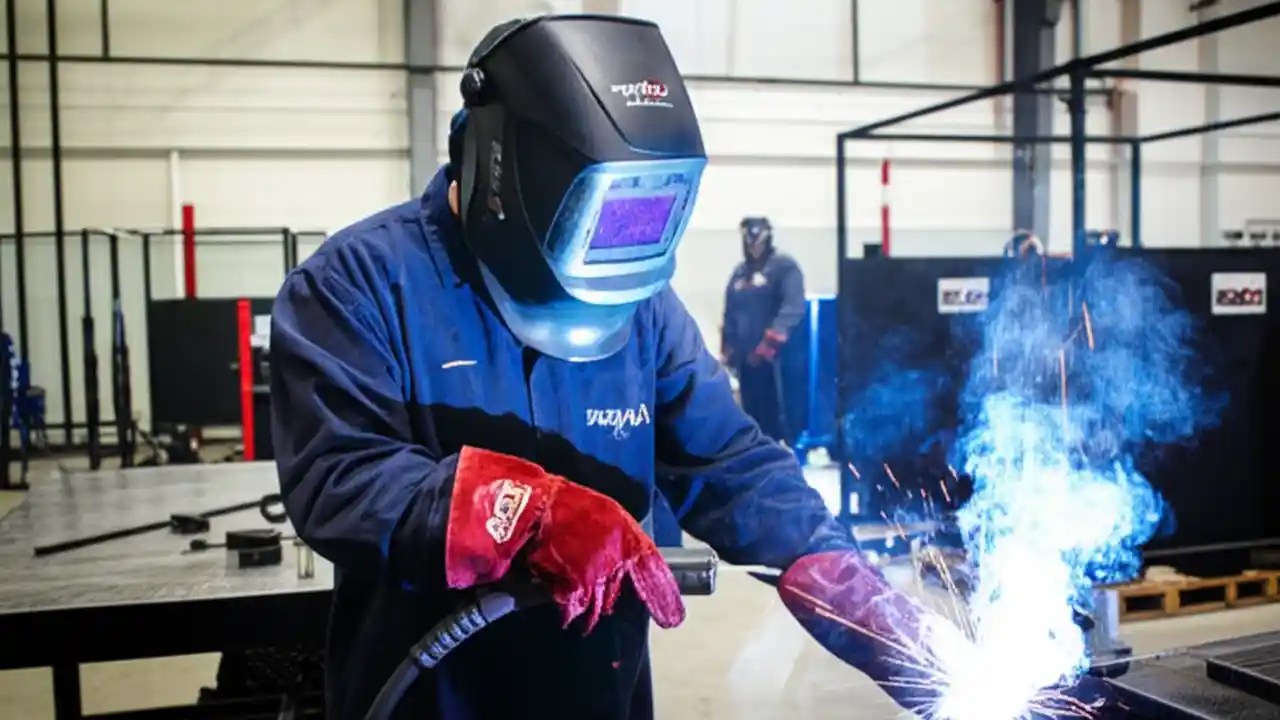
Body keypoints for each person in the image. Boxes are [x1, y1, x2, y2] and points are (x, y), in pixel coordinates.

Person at [270, 15, 942, 720]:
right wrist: (528, 514)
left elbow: (730, 459)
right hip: (426, 697)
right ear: (501, 166)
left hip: (600, 694)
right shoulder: (356, 284)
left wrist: (826, 563)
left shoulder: (641, 302)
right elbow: (339, 479)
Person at [720, 217, 805, 443]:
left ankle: (785, 448)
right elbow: (729, 312)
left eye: (757, 242)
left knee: (777, 414)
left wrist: (771, 341)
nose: (753, 247)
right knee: (750, 415)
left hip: (776, 362)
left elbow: (793, 307)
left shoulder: (784, 267)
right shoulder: (739, 274)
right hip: (745, 361)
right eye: (749, 242)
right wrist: (727, 347)